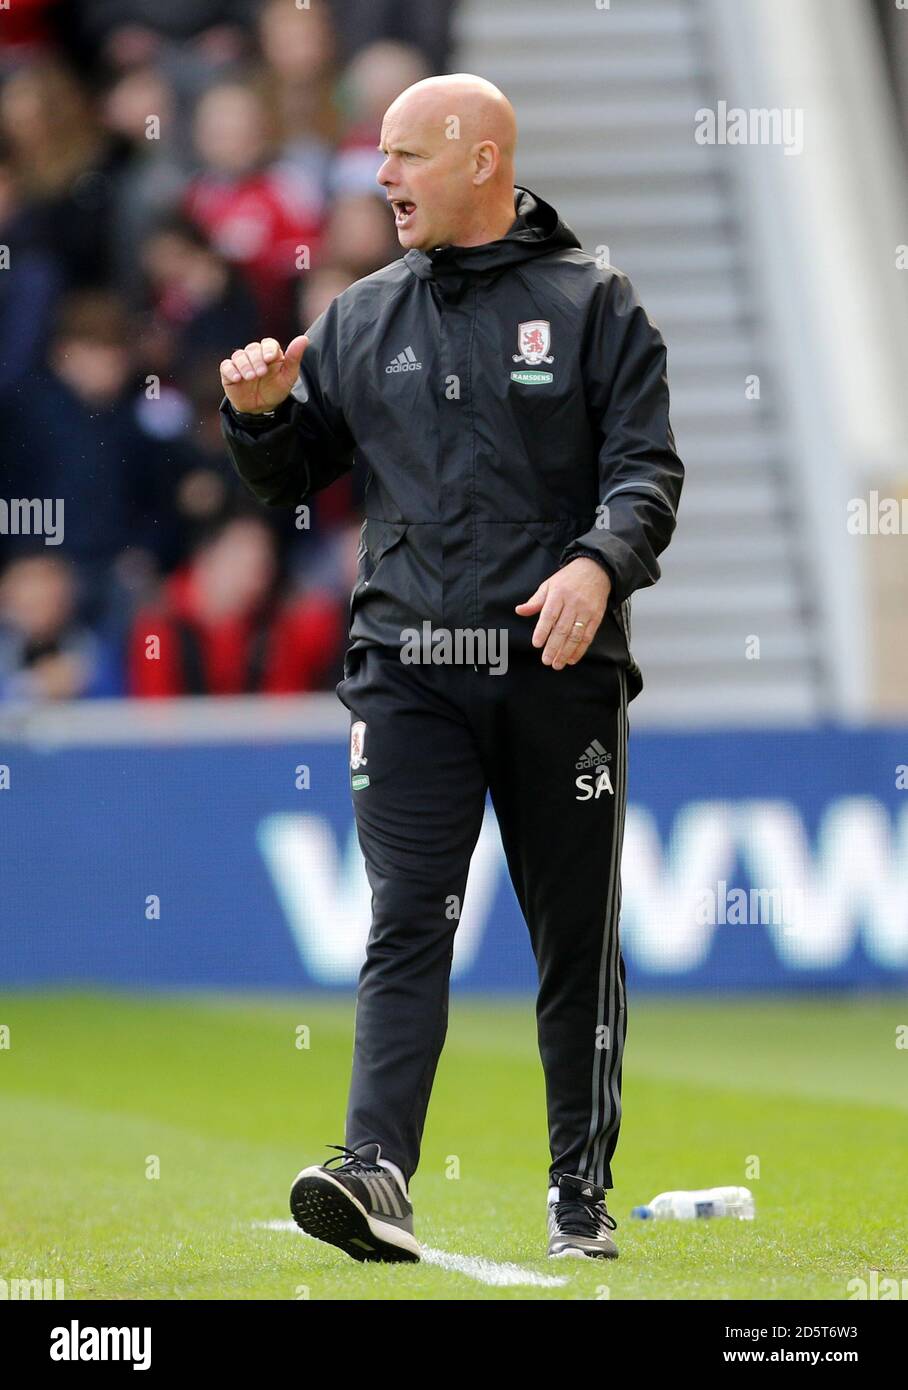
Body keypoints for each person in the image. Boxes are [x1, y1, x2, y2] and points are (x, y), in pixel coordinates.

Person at [219, 74, 684, 1264]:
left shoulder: (594, 303)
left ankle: (577, 1191)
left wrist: (595, 565)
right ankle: (374, 1168)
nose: (381, 178)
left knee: (570, 932)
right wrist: (264, 416)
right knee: (404, 919)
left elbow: (647, 474)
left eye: (404, 155)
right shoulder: (363, 315)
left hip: (554, 665)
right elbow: (289, 478)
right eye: (380, 156)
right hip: (406, 668)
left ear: (480, 159)